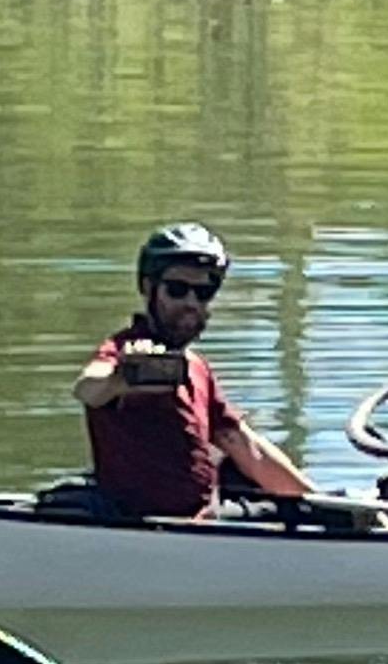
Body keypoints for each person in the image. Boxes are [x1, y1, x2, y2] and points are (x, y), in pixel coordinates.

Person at [70, 222, 315, 518]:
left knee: (290, 506)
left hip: (205, 522)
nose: (191, 303)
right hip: (148, 526)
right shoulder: (125, 350)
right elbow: (88, 389)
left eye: (203, 292)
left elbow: (247, 448)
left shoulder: (197, 368)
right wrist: (123, 377)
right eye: (177, 290)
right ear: (149, 289)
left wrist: (319, 502)